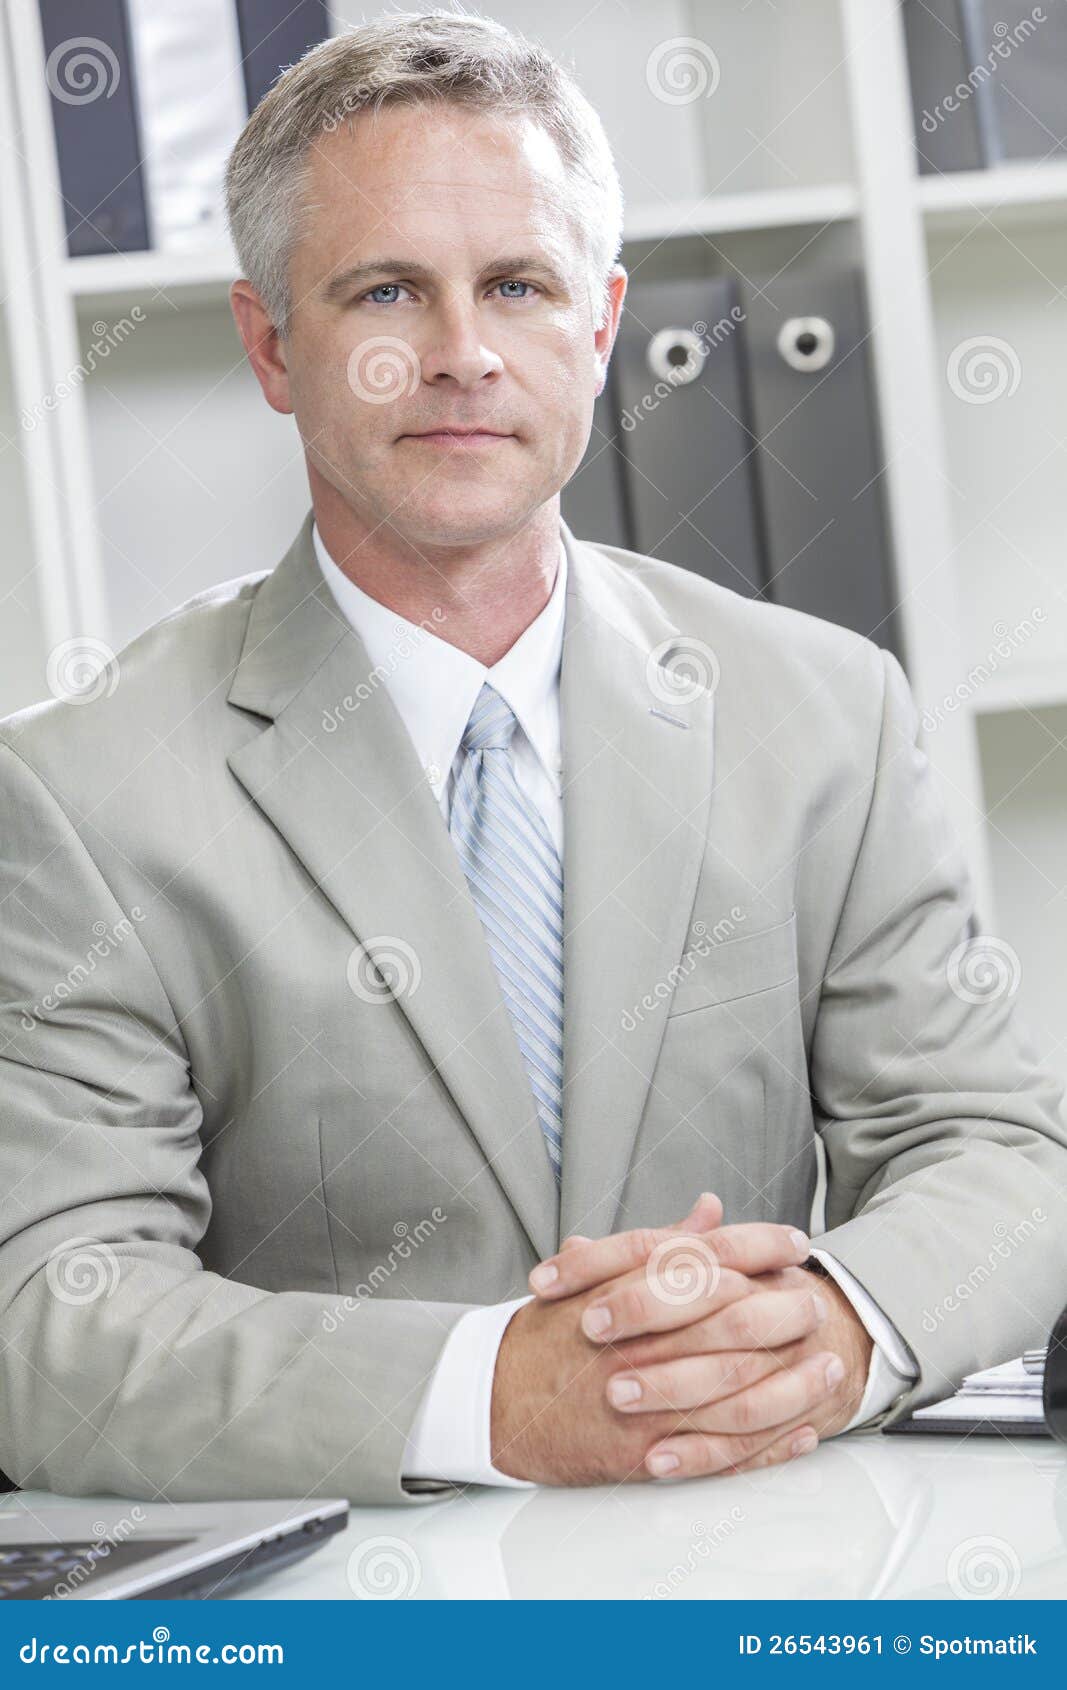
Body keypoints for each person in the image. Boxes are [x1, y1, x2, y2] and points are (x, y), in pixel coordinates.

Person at [2, 13, 1065, 1506]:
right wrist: (491, 1392)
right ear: (270, 346)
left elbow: (998, 1146)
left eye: (518, 284)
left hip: (770, 1572)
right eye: (385, 292)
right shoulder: (80, 793)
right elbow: (52, 1314)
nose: (460, 355)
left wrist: (835, 1322)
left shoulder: (828, 711)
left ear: (601, 322)